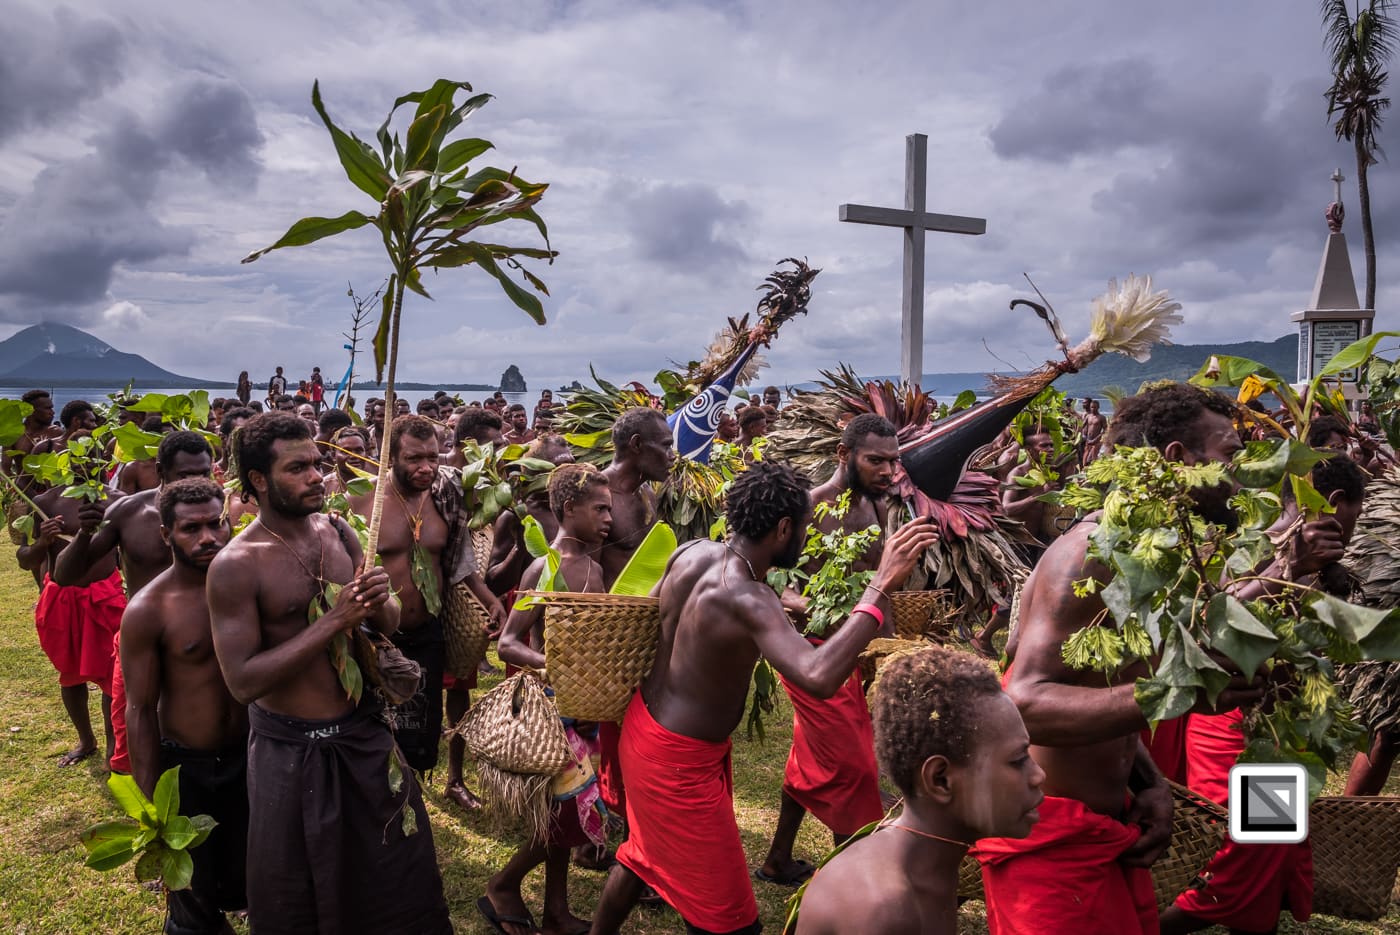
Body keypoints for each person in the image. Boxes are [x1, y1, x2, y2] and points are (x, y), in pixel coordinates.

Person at [982, 383, 1339, 935]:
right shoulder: (1090, 555)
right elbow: (1023, 704)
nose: (1242, 469)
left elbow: (1121, 676)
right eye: (1229, 454)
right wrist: (1188, 689)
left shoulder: (1156, 552)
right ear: (1178, 459)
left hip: (1113, 826)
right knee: (1261, 830)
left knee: (1269, 834)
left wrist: (1145, 781)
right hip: (1048, 837)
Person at [588, 460, 939, 935]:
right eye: (805, 528)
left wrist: (780, 611)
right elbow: (817, 676)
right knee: (732, 924)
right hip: (676, 765)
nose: (806, 537)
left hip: (646, 728)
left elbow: (670, 619)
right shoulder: (750, 597)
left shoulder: (693, 552)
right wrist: (879, 588)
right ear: (783, 528)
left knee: (642, 854)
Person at [207, 412, 451, 935]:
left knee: (395, 879)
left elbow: (382, 626)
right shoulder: (236, 565)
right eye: (298, 468)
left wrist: (379, 602)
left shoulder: (337, 529)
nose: (318, 476)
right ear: (257, 480)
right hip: (291, 753)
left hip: (365, 737)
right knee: (299, 895)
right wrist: (335, 620)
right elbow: (243, 682)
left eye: (317, 464)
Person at [1160, 454, 1366, 935]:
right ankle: (1147, 926)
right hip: (1241, 729)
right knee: (1243, 854)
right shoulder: (1258, 542)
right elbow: (1217, 624)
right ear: (1333, 504)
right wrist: (1290, 567)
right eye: (1353, 519)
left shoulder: (1305, 552)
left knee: (1270, 859)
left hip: (1278, 728)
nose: (1352, 532)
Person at [794, 647, 1045, 935]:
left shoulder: (931, 862)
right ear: (941, 780)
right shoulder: (883, 912)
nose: (1038, 775)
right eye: (1018, 760)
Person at [758, 414, 898, 886]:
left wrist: (889, 652)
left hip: (860, 654)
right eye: (875, 460)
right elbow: (762, 578)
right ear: (844, 455)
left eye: (893, 462)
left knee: (813, 758)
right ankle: (855, 878)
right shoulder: (807, 508)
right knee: (855, 766)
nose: (887, 471)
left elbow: (881, 589)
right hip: (813, 654)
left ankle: (778, 858)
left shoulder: (878, 512)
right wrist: (799, 599)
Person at [486, 463, 613, 935]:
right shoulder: (545, 568)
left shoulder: (595, 567)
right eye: (599, 509)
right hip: (555, 711)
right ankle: (503, 884)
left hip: (585, 710)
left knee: (567, 818)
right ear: (568, 510)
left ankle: (555, 912)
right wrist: (553, 668)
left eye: (610, 510)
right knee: (564, 816)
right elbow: (509, 642)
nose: (607, 518)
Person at [121, 478, 248, 935]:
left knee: (261, 873)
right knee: (193, 898)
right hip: (189, 769)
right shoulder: (149, 609)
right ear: (165, 534)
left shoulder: (247, 584)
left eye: (216, 524)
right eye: (191, 529)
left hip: (254, 754)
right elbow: (139, 709)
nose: (208, 537)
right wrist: (153, 804)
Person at [348, 415, 506, 779]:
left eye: (433, 458)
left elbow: (457, 561)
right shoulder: (361, 501)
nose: (426, 468)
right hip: (375, 638)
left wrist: (488, 598)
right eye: (414, 459)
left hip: (426, 634)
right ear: (391, 457)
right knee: (373, 730)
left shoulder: (445, 496)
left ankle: (412, 797)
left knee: (420, 731)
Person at [53, 431, 215, 773]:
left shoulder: (222, 514)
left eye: (204, 473)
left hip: (207, 637)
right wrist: (84, 533)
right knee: (133, 722)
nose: (195, 483)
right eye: (185, 475)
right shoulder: (129, 511)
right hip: (144, 640)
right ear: (160, 471)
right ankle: (137, 795)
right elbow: (65, 576)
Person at [17, 456, 125, 766]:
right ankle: (86, 739)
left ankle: (111, 743)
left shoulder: (118, 501)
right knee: (70, 674)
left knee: (111, 674)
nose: (85, 463)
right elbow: (24, 559)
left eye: (91, 454)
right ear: (64, 460)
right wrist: (43, 541)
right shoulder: (44, 501)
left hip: (106, 597)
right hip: (62, 599)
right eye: (76, 455)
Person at [486, 436, 575, 596]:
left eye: (572, 464)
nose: (570, 474)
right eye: (560, 467)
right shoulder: (517, 516)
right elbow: (493, 584)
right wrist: (519, 547)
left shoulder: (579, 509)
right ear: (536, 469)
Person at [321, 425, 372, 497]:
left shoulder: (377, 484)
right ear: (333, 455)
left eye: (359, 450)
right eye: (346, 451)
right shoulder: (324, 486)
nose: (354, 456)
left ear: (366, 453)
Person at [1081, 399, 1107, 467]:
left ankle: (1093, 470)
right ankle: (1083, 469)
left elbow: (1105, 430)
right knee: (1085, 454)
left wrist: (1097, 439)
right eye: (1092, 407)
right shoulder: (1088, 416)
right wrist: (1084, 436)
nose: (1093, 409)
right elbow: (1082, 426)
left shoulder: (1101, 417)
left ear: (1098, 407)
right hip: (1088, 439)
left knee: (1094, 456)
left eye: (1094, 407)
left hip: (1097, 440)